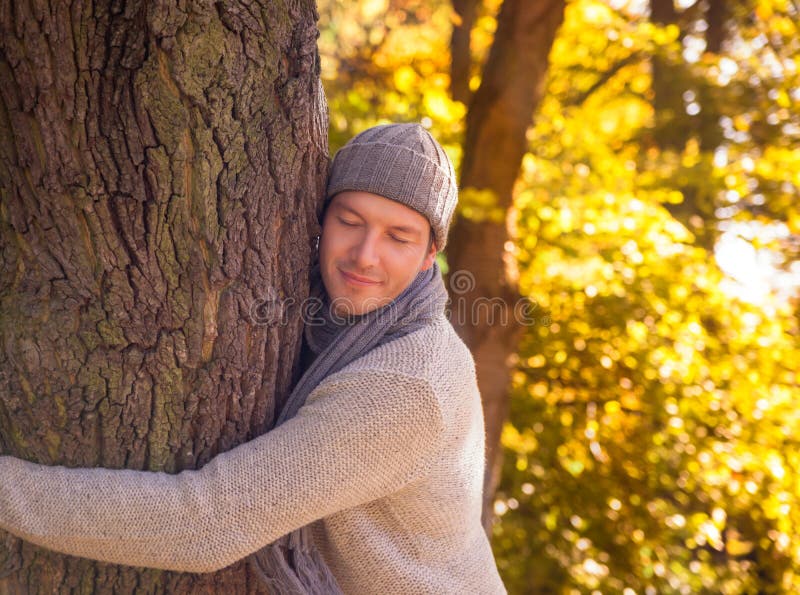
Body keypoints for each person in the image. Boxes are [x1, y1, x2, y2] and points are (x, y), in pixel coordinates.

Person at [0, 123, 507, 594]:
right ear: (320, 220)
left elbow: (205, 523)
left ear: (429, 255)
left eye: (399, 237)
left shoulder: (406, 385)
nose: (365, 255)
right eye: (349, 222)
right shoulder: (319, 317)